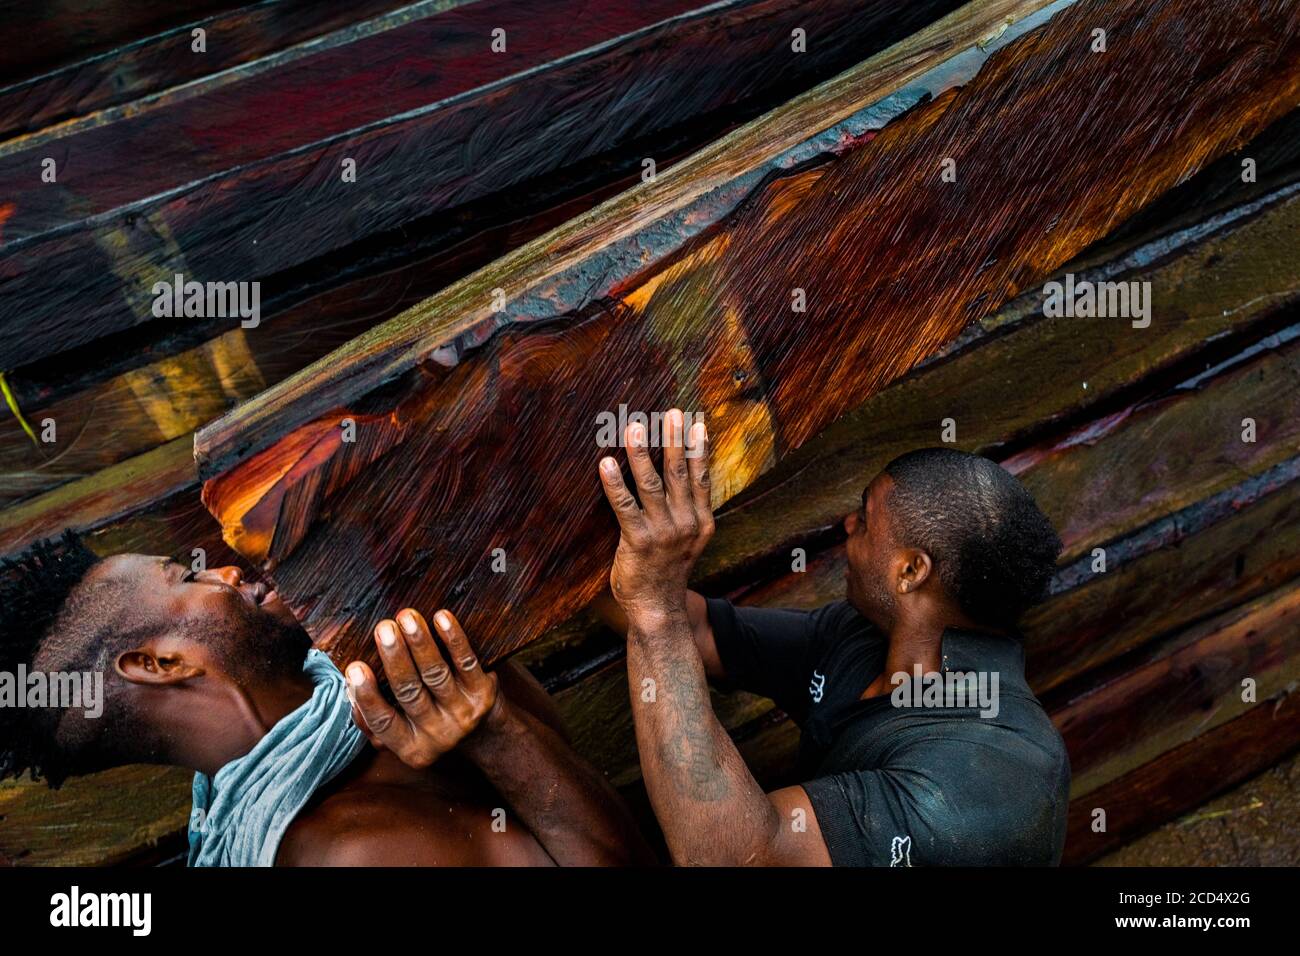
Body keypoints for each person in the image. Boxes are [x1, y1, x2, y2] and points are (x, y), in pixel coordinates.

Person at [589, 409, 1070, 866]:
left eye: (866, 516)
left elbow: (732, 856)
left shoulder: (991, 774)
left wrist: (655, 609)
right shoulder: (865, 638)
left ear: (910, 571)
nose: (848, 524)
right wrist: (640, 561)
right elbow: (698, 630)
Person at [0, 536, 650, 866]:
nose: (225, 571)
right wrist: (493, 734)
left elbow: (555, 752)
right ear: (160, 664)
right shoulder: (349, 852)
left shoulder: (357, 671)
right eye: (187, 578)